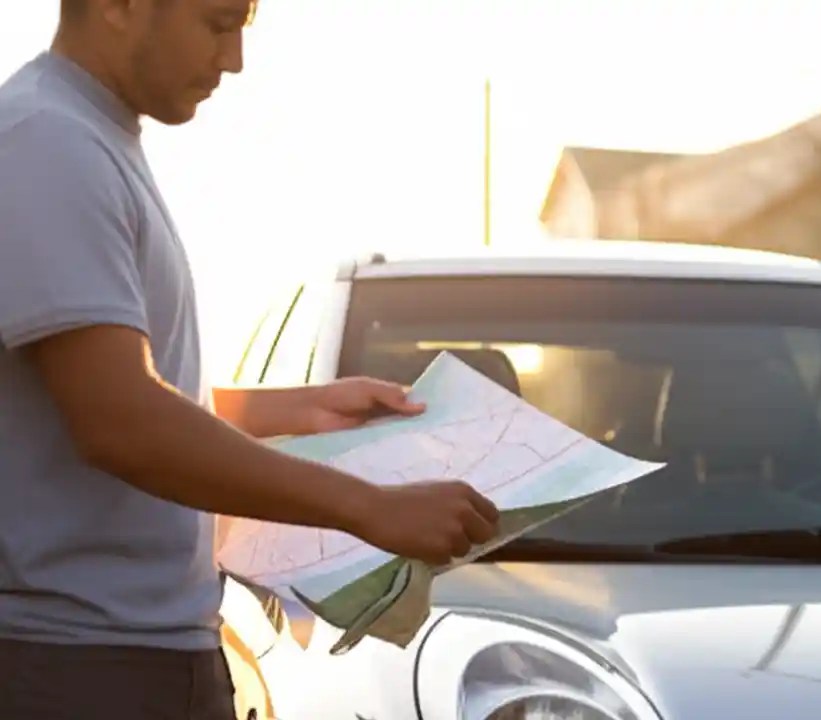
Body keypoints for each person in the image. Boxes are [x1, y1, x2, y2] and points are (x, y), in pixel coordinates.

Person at [0, 1, 500, 717]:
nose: (233, 59)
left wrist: (292, 409)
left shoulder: (88, 138)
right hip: (80, 665)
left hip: (133, 654)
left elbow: (100, 391)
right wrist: (368, 508)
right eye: (216, 21)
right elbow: (119, 421)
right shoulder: (47, 141)